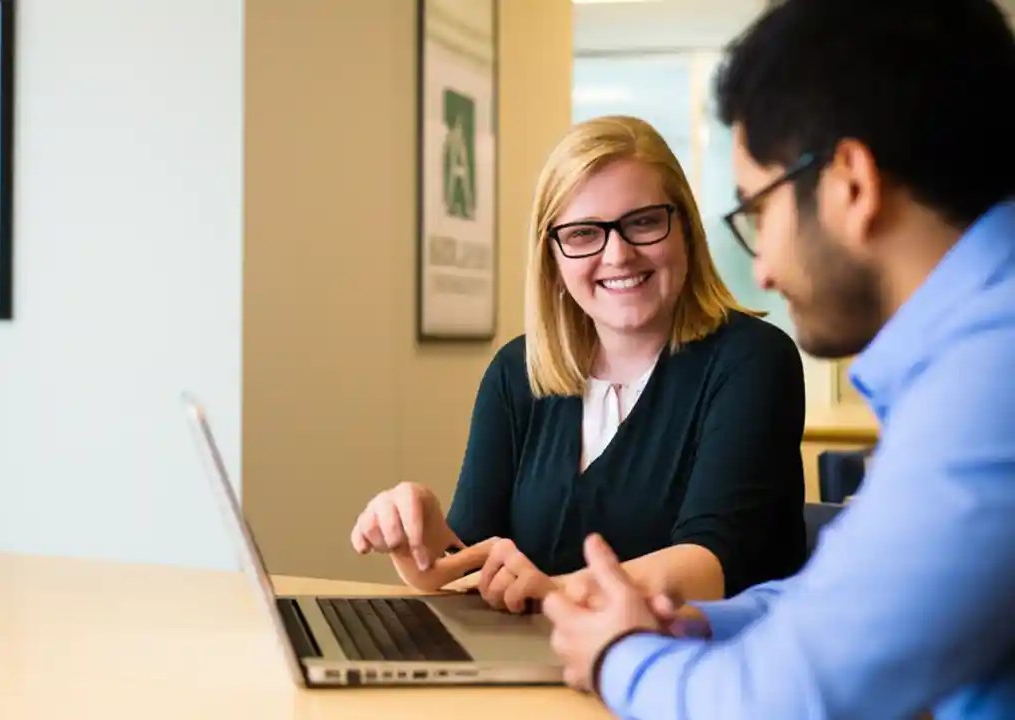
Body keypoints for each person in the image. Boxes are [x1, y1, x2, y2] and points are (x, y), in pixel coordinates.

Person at [541, 1, 1015, 718]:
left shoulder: (991, 382)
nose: (760, 267)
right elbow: (856, 596)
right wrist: (699, 625)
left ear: (851, 185)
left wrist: (616, 655)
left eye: (759, 212)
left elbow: (785, 701)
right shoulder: (974, 353)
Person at [350, 115, 807, 613]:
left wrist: (559, 592)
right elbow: (478, 564)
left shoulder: (752, 360)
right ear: (553, 256)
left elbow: (717, 562)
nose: (618, 254)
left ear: (685, 229)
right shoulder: (517, 373)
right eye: (584, 233)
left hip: (699, 671)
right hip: (545, 673)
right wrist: (421, 540)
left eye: (643, 222)